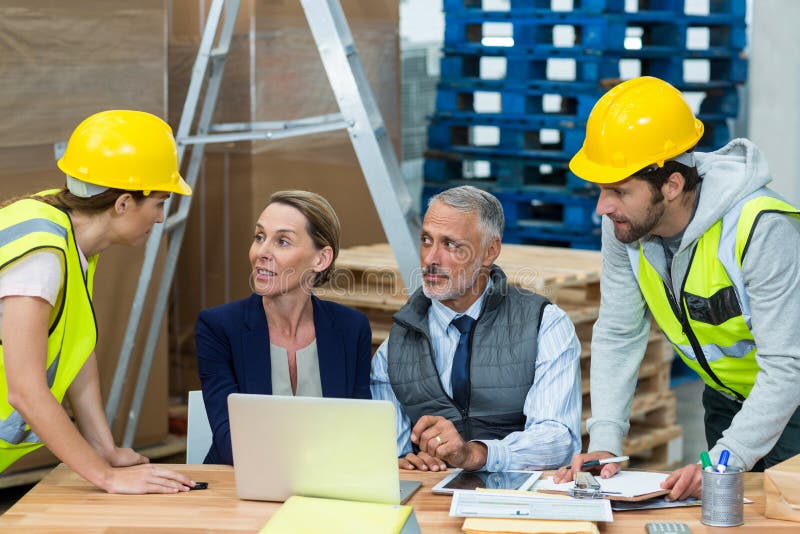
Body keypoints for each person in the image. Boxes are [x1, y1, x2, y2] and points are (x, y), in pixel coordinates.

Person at [555, 76, 800, 499]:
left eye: (618, 191)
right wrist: (606, 442)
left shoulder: (761, 228)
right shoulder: (624, 227)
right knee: (727, 518)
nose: (602, 206)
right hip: (726, 399)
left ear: (671, 185)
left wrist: (727, 458)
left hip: (792, 400)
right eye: (600, 190)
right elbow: (619, 331)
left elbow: (787, 364)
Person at [0, 110, 196, 493]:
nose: (160, 219)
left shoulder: (71, 234)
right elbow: (25, 390)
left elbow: (75, 349)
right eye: (159, 203)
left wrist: (104, 449)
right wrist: (106, 477)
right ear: (122, 203)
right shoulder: (41, 257)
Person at [371, 186, 582, 473]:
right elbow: (389, 457)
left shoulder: (544, 325)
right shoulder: (395, 348)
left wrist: (476, 454)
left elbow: (558, 440)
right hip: (434, 494)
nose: (431, 259)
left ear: (490, 251)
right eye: (426, 240)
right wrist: (406, 461)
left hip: (520, 494)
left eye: (450, 244)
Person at [196, 190, 372, 465]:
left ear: (321, 259)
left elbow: (359, 431)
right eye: (259, 237)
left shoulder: (352, 329)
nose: (261, 252)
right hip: (239, 483)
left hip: (328, 484)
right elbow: (231, 441)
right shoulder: (219, 328)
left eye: (282, 241)